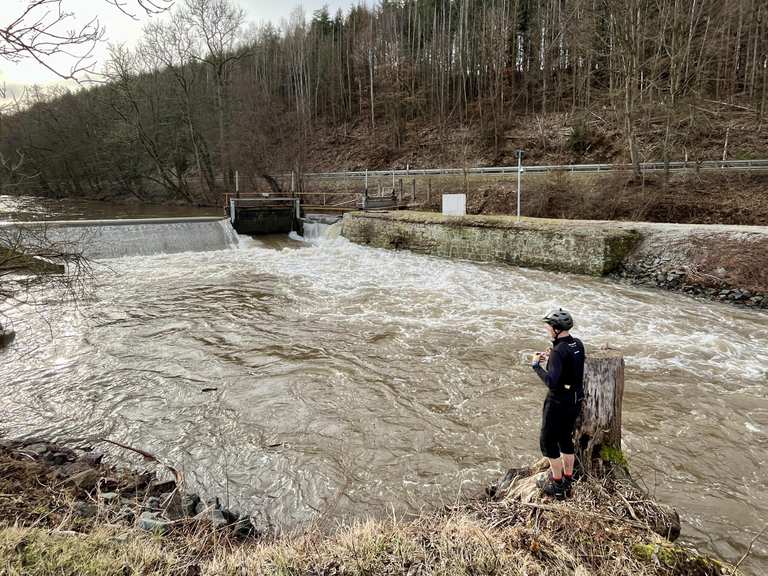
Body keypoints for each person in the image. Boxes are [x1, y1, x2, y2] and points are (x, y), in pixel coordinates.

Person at [531, 308, 585, 499]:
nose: (546, 328)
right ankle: (568, 478)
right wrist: (552, 358)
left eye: (548, 326)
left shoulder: (558, 351)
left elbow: (552, 382)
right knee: (564, 438)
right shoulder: (577, 344)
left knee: (547, 441)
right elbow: (569, 367)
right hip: (575, 399)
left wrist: (537, 366)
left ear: (556, 329)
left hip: (558, 401)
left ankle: (557, 483)